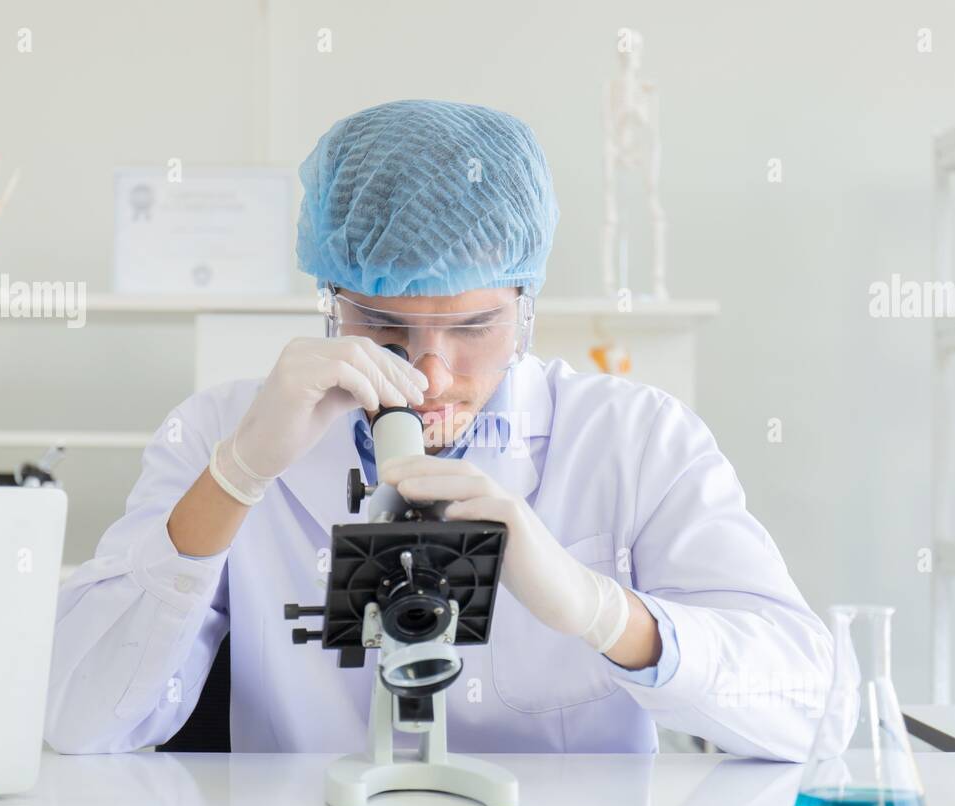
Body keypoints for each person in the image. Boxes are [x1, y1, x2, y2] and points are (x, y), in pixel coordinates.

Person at [45, 99, 834, 759]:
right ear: (332, 302)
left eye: (473, 327)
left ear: (527, 307)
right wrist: (236, 477)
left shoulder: (635, 440)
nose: (429, 373)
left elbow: (809, 705)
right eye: (384, 325)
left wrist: (598, 611)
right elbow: (79, 718)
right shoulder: (223, 429)